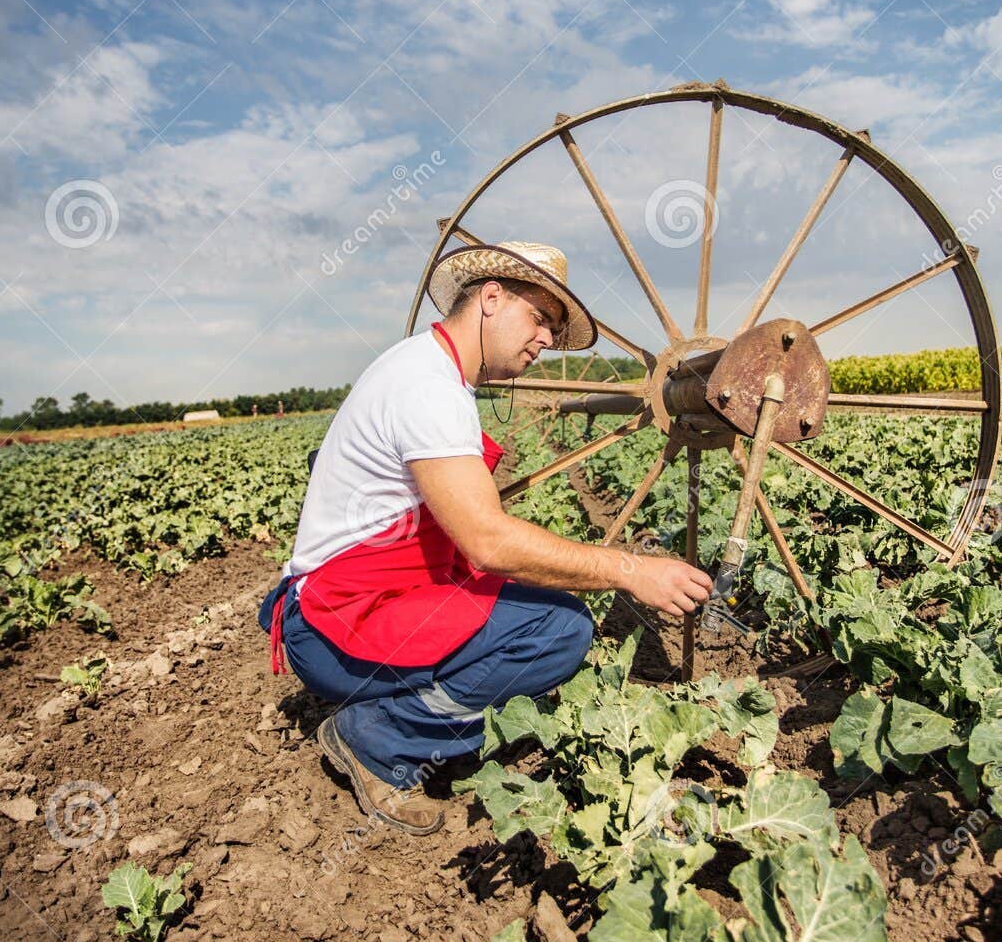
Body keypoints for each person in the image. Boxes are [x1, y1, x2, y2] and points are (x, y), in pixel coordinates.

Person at [258, 241, 712, 836]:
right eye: (540, 319)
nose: (546, 339)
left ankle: (406, 705)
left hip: (354, 600)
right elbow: (488, 543)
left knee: (532, 605)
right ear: (491, 299)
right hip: (336, 621)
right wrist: (632, 571)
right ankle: (377, 738)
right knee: (557, 632)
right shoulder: (428, 386)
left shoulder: (424, 366)